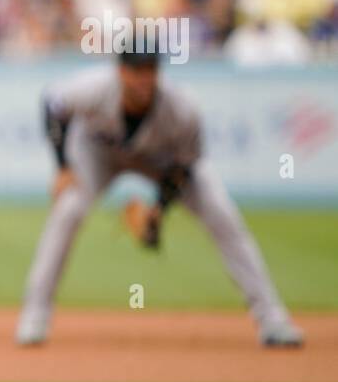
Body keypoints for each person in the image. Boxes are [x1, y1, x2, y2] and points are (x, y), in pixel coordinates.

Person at [16, 45, 304, 348]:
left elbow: (184, 166)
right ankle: (35, 315)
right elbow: (52, 104)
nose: (143, 78)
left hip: (162, 159)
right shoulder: (93, 87)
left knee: (222, 213)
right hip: (97, 151)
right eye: (136, 70)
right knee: (68, 209)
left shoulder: (182, 108)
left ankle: (272, 320)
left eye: (150, 70)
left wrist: (159, 208)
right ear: (121, 71)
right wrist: (63, 166)